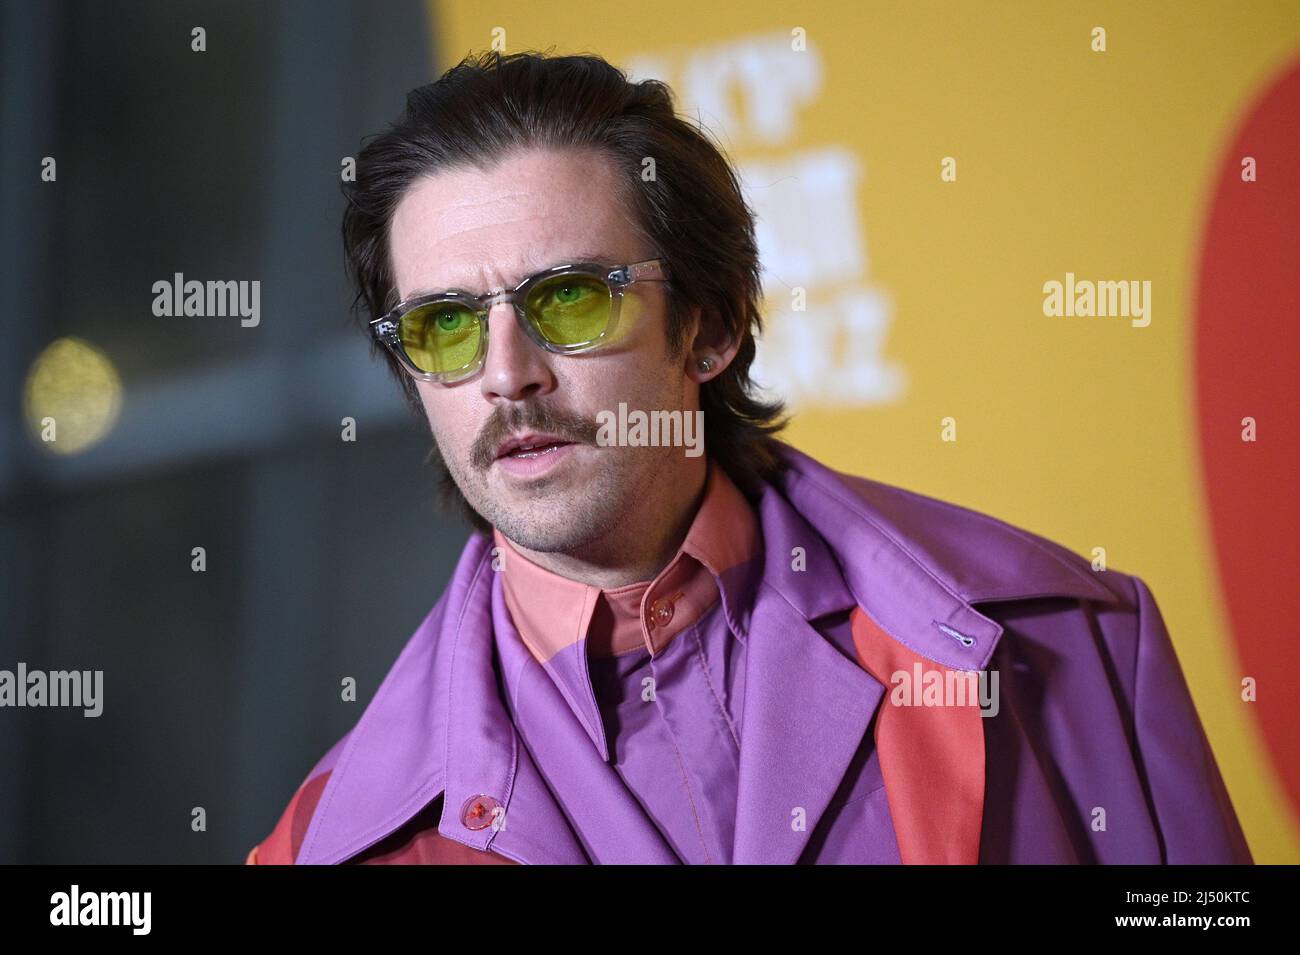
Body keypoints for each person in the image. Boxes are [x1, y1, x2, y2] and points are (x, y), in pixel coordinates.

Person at [245, 49, 1251, 865]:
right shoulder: (325, 848)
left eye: (569, 300)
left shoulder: (1067, 641)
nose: (507, 375)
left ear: (711, 327)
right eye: (446, 326)